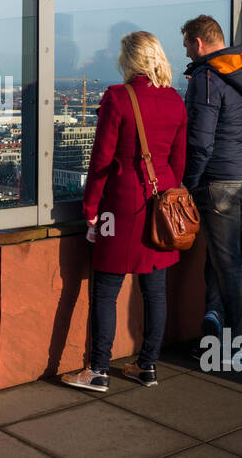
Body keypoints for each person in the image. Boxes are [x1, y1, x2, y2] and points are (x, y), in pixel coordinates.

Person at [62, 31, 188, 392]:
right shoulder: (175, 101)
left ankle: (98, 370)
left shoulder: (118, 97)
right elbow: (178, 162)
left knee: (105, 290)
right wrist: (164, 195)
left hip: (121, 207)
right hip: (161, 205)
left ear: (129, 61)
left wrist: (90, 210)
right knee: (155, 292)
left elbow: (101, 160)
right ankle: (147, 366)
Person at [179, 15, 242, 370]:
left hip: (220, 182)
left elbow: (200, 142)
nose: (186, 52)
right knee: (221, 256)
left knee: (229, 263)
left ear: (199, 43)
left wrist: (187, 184)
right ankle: (214, 328)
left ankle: (240, 346)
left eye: (187, 44)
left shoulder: (206, 78)